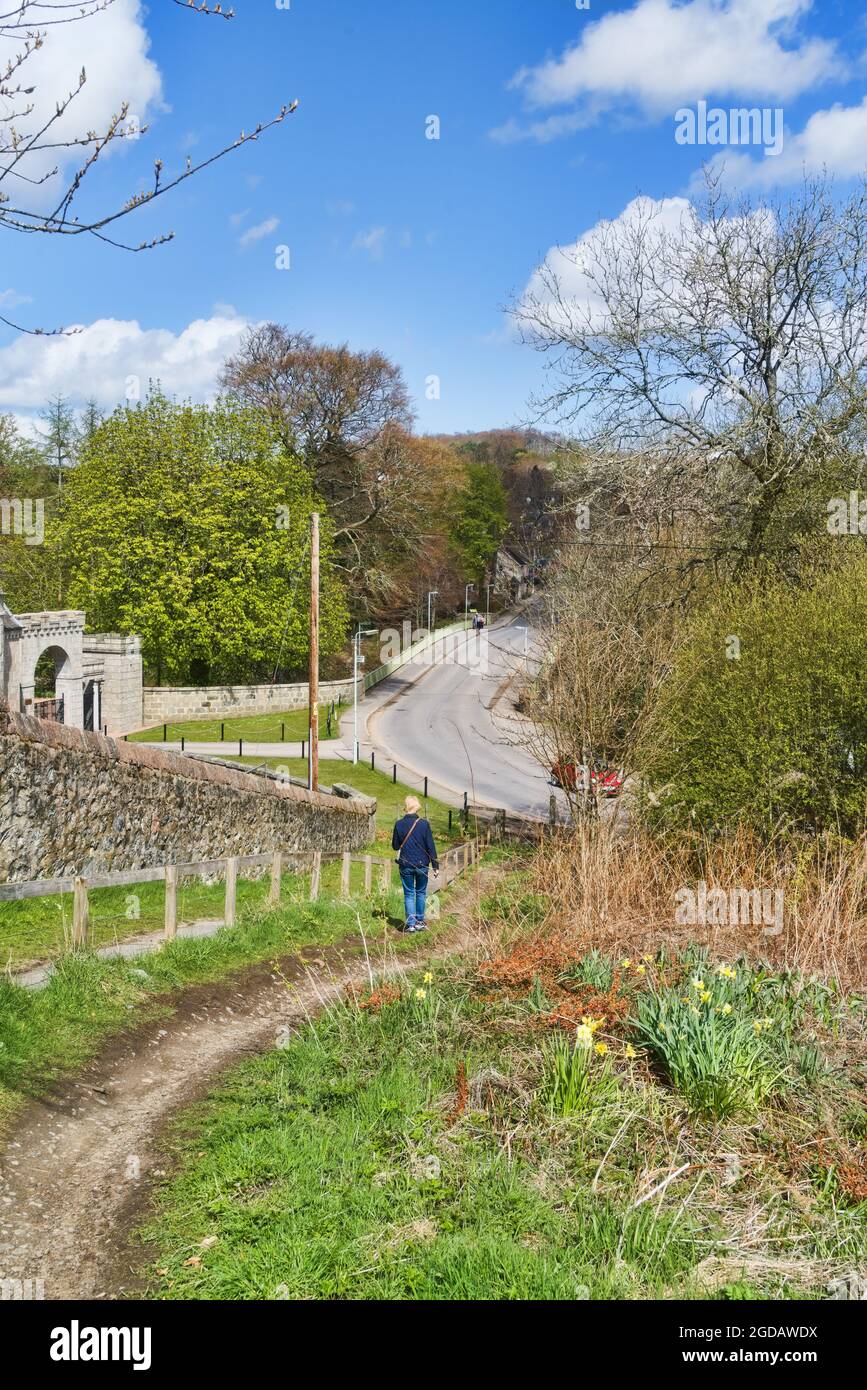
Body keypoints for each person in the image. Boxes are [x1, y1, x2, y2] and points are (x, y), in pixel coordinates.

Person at [392, 794, 439, 932]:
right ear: (417, 807)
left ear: (406, 807)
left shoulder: (399, 824)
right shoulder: (424, 824)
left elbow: (395, 846)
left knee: (408, 894)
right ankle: (420, 921)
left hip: (406, 864)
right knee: (420, 892)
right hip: (422, 864)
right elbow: (431, 846)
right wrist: (435, 866)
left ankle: (411, 924)